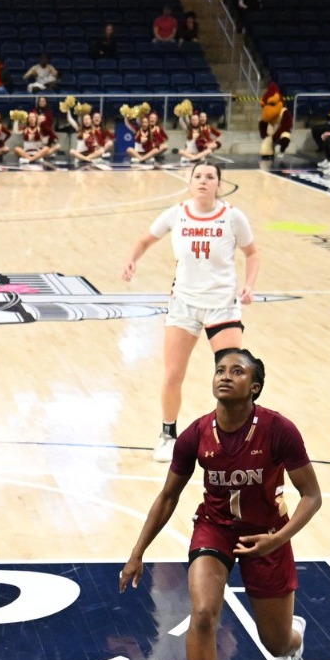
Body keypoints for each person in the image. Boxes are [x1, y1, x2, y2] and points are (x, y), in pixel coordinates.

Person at [119, 348, 318, 660]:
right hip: (215, 529)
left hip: (268, 534)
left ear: (255, 387)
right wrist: (138, 550)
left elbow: (312, 496)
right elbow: (169, 495)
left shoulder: (279, 430)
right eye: (221, 369)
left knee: (277, 644)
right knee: (204, 614)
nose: (225, 375)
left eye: (238, 371)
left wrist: (276, 540)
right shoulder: (196, 434)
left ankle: (293, 633)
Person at [120, 162, 261, 461]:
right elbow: (144, 239)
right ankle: (168, 435)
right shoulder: (177, 213)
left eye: (210, 177)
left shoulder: (232, 216)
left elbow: (252, 252)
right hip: (184, 304)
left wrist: (248, 285)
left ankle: (236, 439)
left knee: (234, 378)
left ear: (218, 184)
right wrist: (132, 259)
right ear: (190, 182)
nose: (203, 181)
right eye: (198, 176)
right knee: (173, 374)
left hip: (222, 306)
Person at [16, 97, 59, 166]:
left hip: (37, 151)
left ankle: (29, 160)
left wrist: (44, 139)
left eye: (33, 117)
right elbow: (16, 131)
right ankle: (34, 159)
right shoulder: (25, 128)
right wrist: (16, 120)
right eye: (30, 117)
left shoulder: (40, 128)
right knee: (17, 149)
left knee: (46, 148)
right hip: (26, 151)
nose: (32, 119)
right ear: (28, 119)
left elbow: (46, 140)